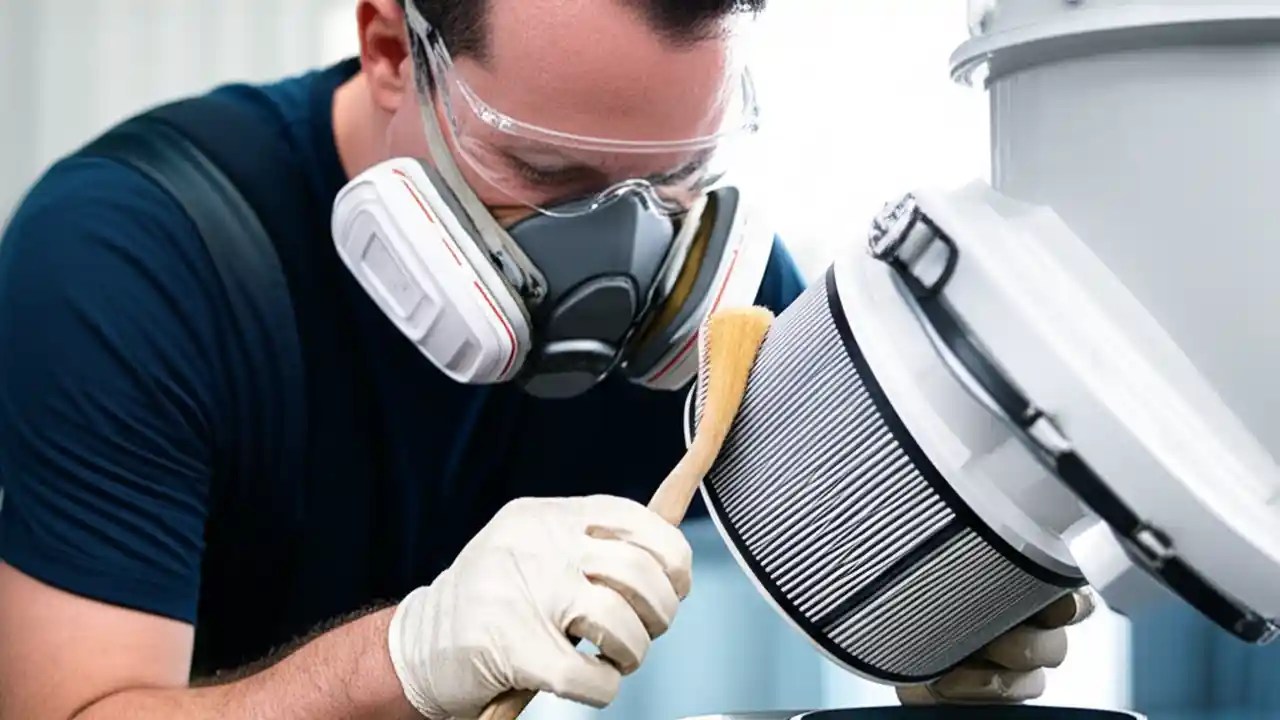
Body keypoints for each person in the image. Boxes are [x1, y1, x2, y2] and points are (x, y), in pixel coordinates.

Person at [0, 0, 1087, 717]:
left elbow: (861, 528)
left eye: (671, 179)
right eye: (544, 169)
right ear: (390, 47)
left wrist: (938, 617)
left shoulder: (712, 306)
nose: (623, 253)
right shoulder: (130, 257)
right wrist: (403, 659)